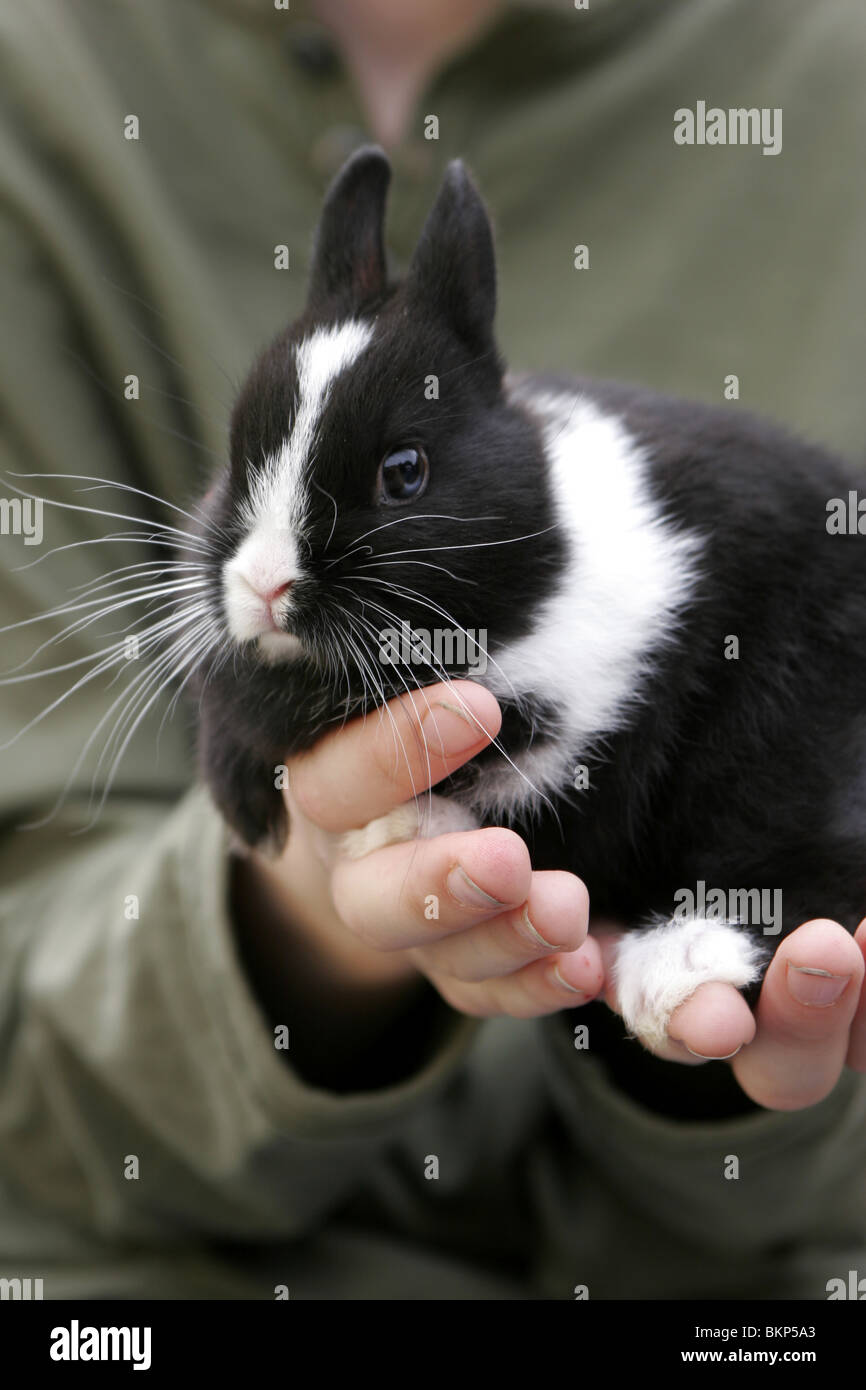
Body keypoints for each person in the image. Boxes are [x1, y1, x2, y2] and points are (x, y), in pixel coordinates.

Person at [1, 0, 865, 1301]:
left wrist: (702, 1066)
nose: (270, 570)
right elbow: (34, 1032)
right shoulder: (41, 82)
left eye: (395, 477)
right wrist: (306, 908)